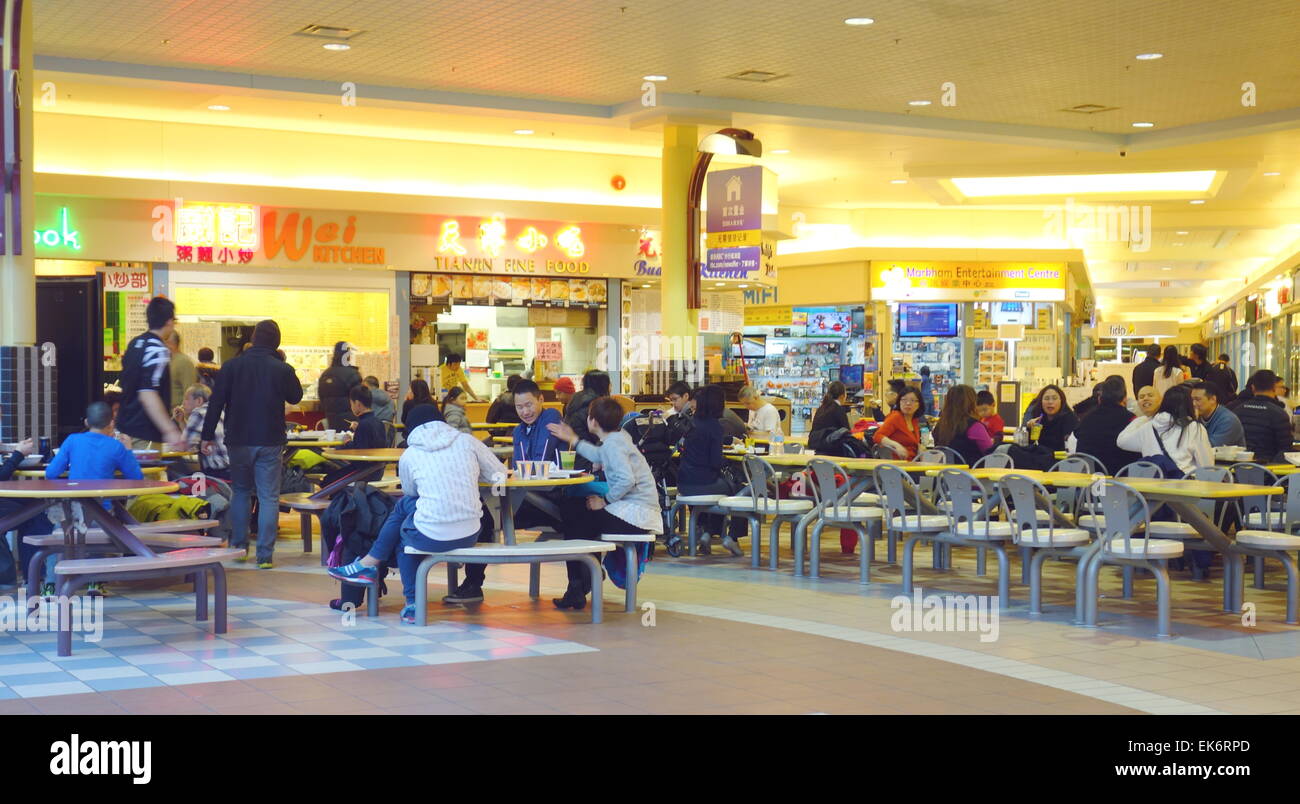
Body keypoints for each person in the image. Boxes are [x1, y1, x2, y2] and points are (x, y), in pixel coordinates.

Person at [327, 414, 507, 625]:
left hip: (431, 537)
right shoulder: (468, 441)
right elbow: (499, 474)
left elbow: (410, 491)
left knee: (404, 536)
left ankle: (410, 601)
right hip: (469, 533)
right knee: (406, 509)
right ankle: (370, 564)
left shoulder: (410, 453)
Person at [201, 319, 303, 568]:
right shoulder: (282, 369)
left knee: (241, 492)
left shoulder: (232, 366)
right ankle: (265, 556)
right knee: (269, 496)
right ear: (276, 342)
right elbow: (296, 396)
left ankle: (239, 547)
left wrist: (206, 435)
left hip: (238, 439)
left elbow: (215, 403)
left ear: (254, 338)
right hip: (270, 440)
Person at [547, 397, 663, 610]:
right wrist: (574, 439)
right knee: (575, 515)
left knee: (574, 518)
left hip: (634, 515)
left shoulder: (613, 444)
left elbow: (626, 479)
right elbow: (597, 453)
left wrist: (604, 501)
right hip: (637, 511)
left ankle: (579, 583)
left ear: (593, 421)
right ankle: (581, 582)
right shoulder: (617, 439)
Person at [43, 402, 146, 594]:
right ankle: (95, 582)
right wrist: (128, 449)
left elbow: (51, 473)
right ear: (111, 423)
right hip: (101, 511)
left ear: (86, 421)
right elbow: (137, 478)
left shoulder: (73, 440)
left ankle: (50, 584)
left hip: (71, 507)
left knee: (58, 535)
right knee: (105, 530)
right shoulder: (116, 446)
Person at [675, 384, 745, 557]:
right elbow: (714, 462)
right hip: (703, 483)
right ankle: (733, 537)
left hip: (684, 483)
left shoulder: (692, 423)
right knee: (742, 491)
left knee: (722, 489)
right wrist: (725, 460)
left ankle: (708, 532)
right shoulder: (714, 426)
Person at [116, 296, 188, 452]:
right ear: (169, 322)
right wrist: (170, 431)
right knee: (146, 476)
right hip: (143, 432)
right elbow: (148, 393)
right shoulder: (157, 349)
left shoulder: (135, 343)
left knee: (127, 475)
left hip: (123, 427)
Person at [1117, 385, 1212, 477]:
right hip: (1183, 485)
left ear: (1163, 402)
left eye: (1150, 395)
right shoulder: (1194, 428)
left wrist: (1143, 419)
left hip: (1151, 484)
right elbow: (1206, 466)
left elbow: (1122, 442)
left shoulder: (1148, 426)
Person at [1071, 377, 1140, 475]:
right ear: (1124, 398)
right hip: (1121, 477)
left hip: (1088, 477)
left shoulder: (1087, 418)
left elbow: (1077, 434)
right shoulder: (1130, 419)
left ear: (1100, 398)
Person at [1234, 369, 1292, 463]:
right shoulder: (1279, 414)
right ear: (1274, 387)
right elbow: (1285, 449)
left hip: (1238, 466)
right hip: (1269, 469)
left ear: (1253, 387)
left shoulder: (1238, 410)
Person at [932, 385, 993, 466]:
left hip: (943, 474)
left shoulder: (940, 426)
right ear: (972, 402)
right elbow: (990, 452)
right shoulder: (974, 426)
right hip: (971, 475)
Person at [180, 384, 228, 479]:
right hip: (231, 467)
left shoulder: (199, 413)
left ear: (199, 401)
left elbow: (184, 445)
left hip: (217, 471)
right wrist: (181, 421)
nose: (183, 403)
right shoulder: (219, 412)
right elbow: (193, 438)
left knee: (175, 468)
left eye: (186, 399)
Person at [566, 370, 611, 467]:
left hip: (572, 458)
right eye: (609, 383)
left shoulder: (576, 401)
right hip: (590, 460)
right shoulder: (596, 406)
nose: (611, 386)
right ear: (603, 385)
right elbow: (603, 437)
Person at [318, 341, 363, 431]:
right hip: (350, 419)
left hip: (331, 419)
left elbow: (321, 397)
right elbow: (359, 398)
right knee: (350, 442)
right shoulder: (352, 374)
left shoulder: (325, 374)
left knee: (335, 442)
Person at [1190, 380, 1246, 448]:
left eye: (1197, 399)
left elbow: (1208, 447)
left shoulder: (1228, 420)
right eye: (1192, 400)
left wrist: (1194, 422)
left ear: (1213, 399)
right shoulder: (1196, 416)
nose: (1193, 404)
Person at [873, 387, 924, 459]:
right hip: (897, 464)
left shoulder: (914, 420)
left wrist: (919, 447)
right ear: (899, 402)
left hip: (913, 462)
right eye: (904, 400)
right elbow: (877, 436)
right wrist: (896, 445)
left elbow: (911, 442)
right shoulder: (896, 417)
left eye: (912, 400)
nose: (908, 403)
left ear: (919, 404)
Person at [1025, 384, 1078, 453]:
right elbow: (1030, 446)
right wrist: (1029, 429)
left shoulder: (1069, 419)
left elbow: (1067, 448)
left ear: (1061, 401)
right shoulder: (1038, 419)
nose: (1050, 402)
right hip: (1039, 459)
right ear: (1041, 402)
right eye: (1046, 399)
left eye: (1054, 398)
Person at [342, 384, 387, 451]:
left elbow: (359, 450)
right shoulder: (379, 422)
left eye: (351, 404)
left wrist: (347, 442)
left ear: (357, 404)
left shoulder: (363, 424)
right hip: (379, 460)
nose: (351, 407)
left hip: (364, 460)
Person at [167, 331, 197, 410]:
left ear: (171, 344)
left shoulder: (183, 362)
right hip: (167, 412)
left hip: (177, 413)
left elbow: (190, 390)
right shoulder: (168, 361)